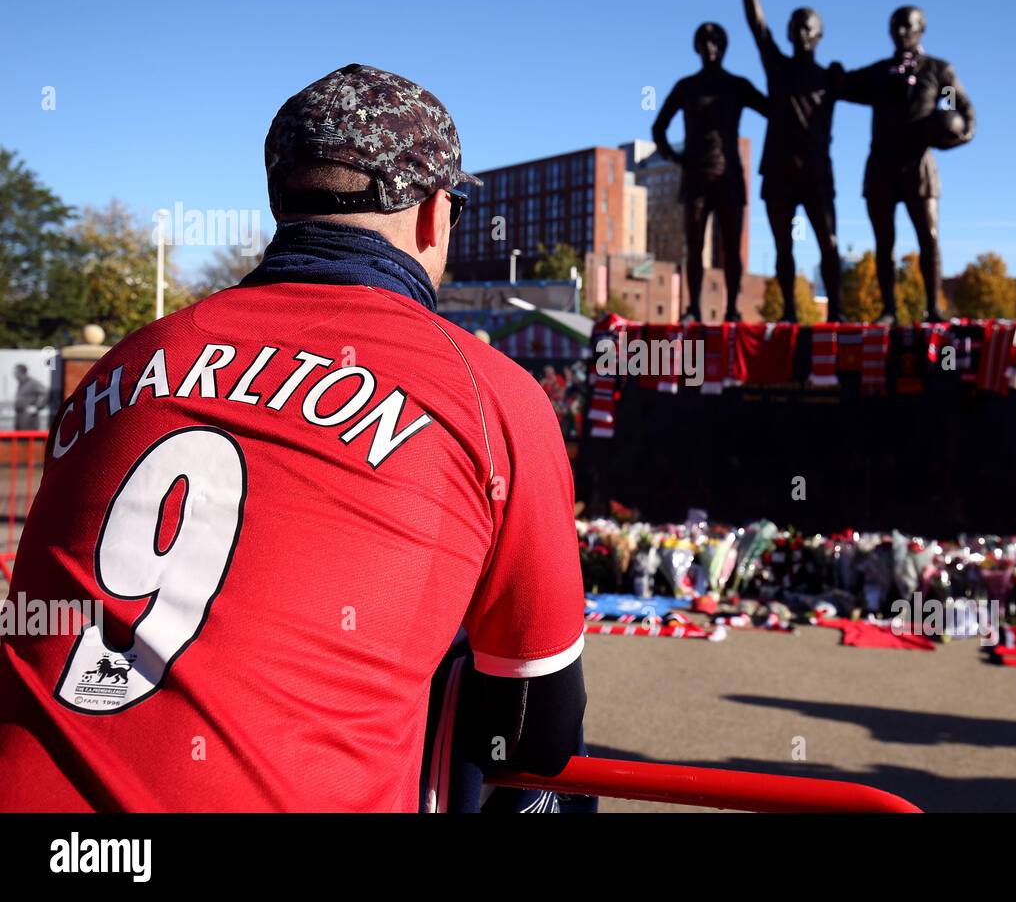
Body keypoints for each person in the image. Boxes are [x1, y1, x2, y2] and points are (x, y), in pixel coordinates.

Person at [0, 64, 587, 812]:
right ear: (438, 215)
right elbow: (538, 736)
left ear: (280, 202)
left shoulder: (129, 359)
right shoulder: (490, 392)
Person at [838, 6, 975, 323]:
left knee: (928, 238)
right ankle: (889, 309)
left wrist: (950, 134)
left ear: (921, 30)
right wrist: (831, 74)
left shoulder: (939, 72)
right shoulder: (880, 74)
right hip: (882, 166)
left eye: (907, 27)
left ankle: (933, 308)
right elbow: (844, 85)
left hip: (919, 167)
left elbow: (960, 112)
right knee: (883, 242)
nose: (900, 33)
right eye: (895, 27)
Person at [736, 0, 844, 322]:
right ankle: (790, 313)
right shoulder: (777, 68)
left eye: (807, 27)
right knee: (783, 247)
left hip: (816, 172)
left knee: (829, 244)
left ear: (818, 35)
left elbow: (875, 89)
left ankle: (838, 312)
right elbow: (755, 22)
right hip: (779, 171)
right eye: (795, 26)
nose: (800, 32)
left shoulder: (831, 78)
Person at [652, 22, 767, 322]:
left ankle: (731, 309)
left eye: (715, 42)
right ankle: (695, 309)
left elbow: (774, 111)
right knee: (695, 246)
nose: (710, 48)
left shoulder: (737, 85)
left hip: (729, 177)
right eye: (704, 42)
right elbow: (659, 127)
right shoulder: (687, 87)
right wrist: (675, 158)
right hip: (696, 178)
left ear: (724, 47)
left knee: (731, 247)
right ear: (697, 48)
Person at [11, 364, 48, 431]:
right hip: (19, 417)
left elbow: (45, 393)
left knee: (27, 440)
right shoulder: (21, 384)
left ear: (21, 372)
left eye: (15, 373)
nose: (14, 375)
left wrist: (37, 407)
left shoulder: (33, 383)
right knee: (19, 439)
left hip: (29, 419)